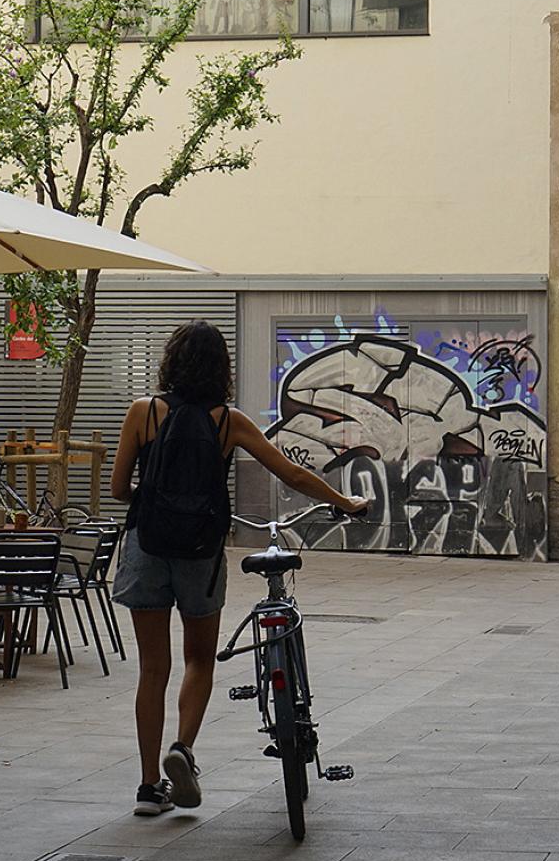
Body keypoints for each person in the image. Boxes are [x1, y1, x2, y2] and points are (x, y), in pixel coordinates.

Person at [109, 321, 367, 816]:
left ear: (170, 361)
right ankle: (182, 748)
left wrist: (154, 496)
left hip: (147, 546)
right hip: (201, 550)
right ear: (220, 369)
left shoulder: (143, 412)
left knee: (152, 669)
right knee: (199, 659)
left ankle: (148, 788)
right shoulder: (229, 421)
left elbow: (120, 489)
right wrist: (345, 501)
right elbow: (292, 473)